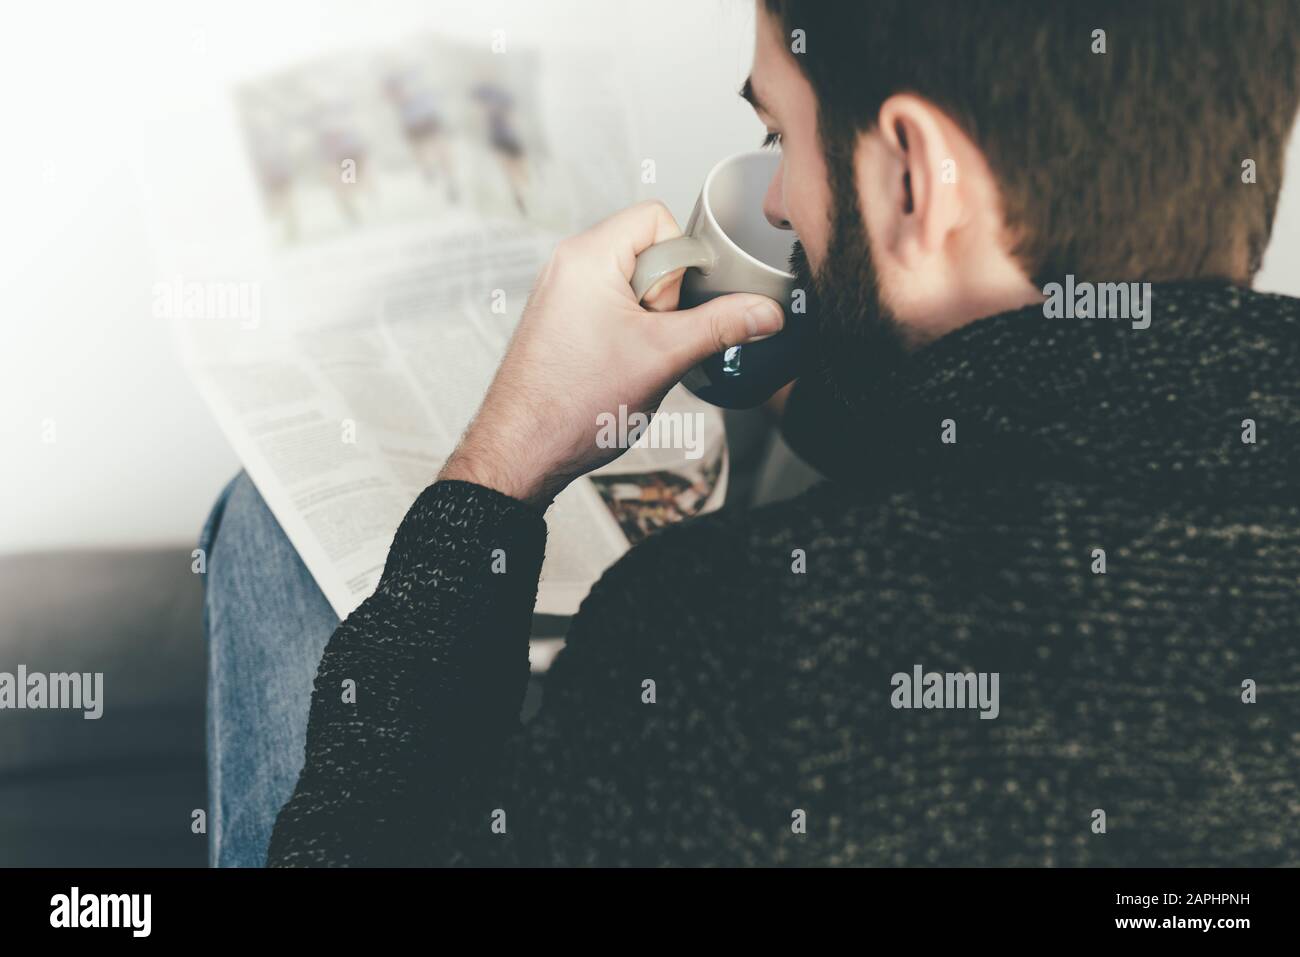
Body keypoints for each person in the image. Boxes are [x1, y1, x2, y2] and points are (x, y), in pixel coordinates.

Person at [204, 0, 1300, 867]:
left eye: (779, 132)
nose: (776, 200)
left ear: (916, 175)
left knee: (260, 525)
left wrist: (500, 468)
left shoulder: (732, 649)